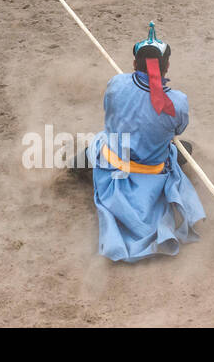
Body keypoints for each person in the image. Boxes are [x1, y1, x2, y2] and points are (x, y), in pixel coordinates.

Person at [88, 22, 206, 262]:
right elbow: (178, 129)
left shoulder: (116, 83)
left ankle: (79, 167)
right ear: (167, 66)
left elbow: (110, 112)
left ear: (134, 64)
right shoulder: (178, 102)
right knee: (185, 149)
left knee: (98, 144)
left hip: (111, 161)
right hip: (149, 173)